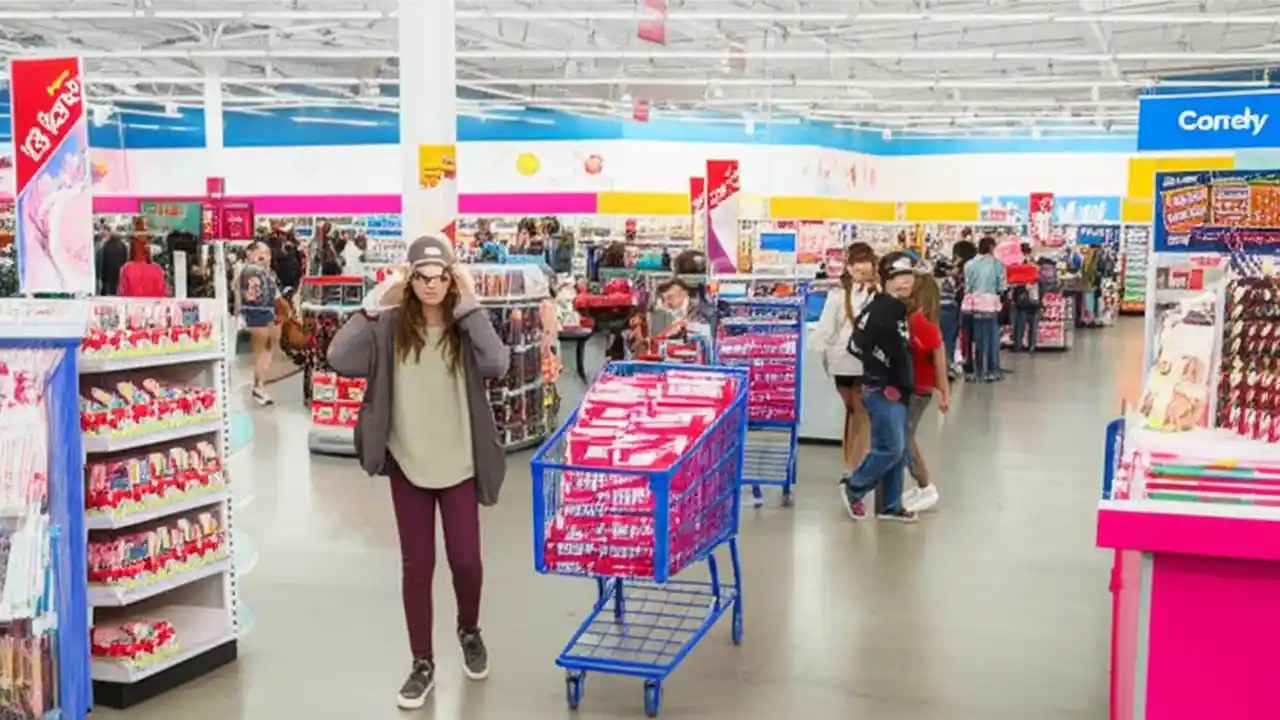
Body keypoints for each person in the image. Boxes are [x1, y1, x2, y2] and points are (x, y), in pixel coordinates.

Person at [326, 236, 509, 710]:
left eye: (441, 276)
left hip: (461, 462)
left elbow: (497, 363)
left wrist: (469, 304)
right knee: (417, 567)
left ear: (452, 279)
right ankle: (422, 662)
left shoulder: (464, 327)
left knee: (466, 561)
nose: (431, 285)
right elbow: (338, 358)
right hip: (408, 461)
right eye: (422, 277)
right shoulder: (388, 327)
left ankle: (469, 629)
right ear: (410, 280)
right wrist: (372, 303)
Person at [840, 251, 918, 523]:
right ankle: (854, 486)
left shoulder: (890, 306)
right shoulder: (886, 307)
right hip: (885, 389)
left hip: (892, 387)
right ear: (885, 279)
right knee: (891, 448)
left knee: (895, 450)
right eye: (897, 277)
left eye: (908, 275)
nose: (905, 282)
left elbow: (859, 343)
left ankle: (890, 504)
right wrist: (881, 370)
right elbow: (858, 343)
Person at [814, 242, 876, 482]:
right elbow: (827, 330)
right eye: (855, 262)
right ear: (848, 266)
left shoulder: (878, 293)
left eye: (864, 261)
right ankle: (852, 464)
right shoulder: (839, 295)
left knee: (859, 411)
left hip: (864, 361)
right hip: (843, 360)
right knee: (854, 411)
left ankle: (853, 465)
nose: (860, 267)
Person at [903, 273, 950, 514]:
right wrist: (944, 393)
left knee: (905, 437)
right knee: (904, 436)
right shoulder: (927, 324)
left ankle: (924, 485)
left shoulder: (918, 322)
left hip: (917, 389)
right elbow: (940, 362)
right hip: (920, 389)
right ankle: (920, 484)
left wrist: (944, 393)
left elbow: (939, 361)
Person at [238, 241, 280, 406]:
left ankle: (259, 385)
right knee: (263, 351)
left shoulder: (251, 270)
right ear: (251, 253)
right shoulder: (256, 271)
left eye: (268, 254)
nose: (267, 257)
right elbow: (265, 294)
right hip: (258, 313)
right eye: (263, 253)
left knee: (264, 350)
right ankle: (258, 386)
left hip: (259, 313)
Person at [962, 236, 1007, 382]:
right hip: (991, 305)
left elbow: (967, 287)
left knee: (977, 339)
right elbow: (1002, 287)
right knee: (992, 339)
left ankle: (978, 371)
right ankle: (992, 371)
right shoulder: (997, 265)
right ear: (991, 247)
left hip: (974, 305)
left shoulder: (969, 264)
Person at [1011, 243, 1042, 353]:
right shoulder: (1035, 265)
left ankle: (1018, 345)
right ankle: (1031, 346)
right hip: (1034, 297)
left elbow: (1014, 281)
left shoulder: (1016, 265)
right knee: (1033, 325)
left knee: (1020, 324)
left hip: (1022, 298)